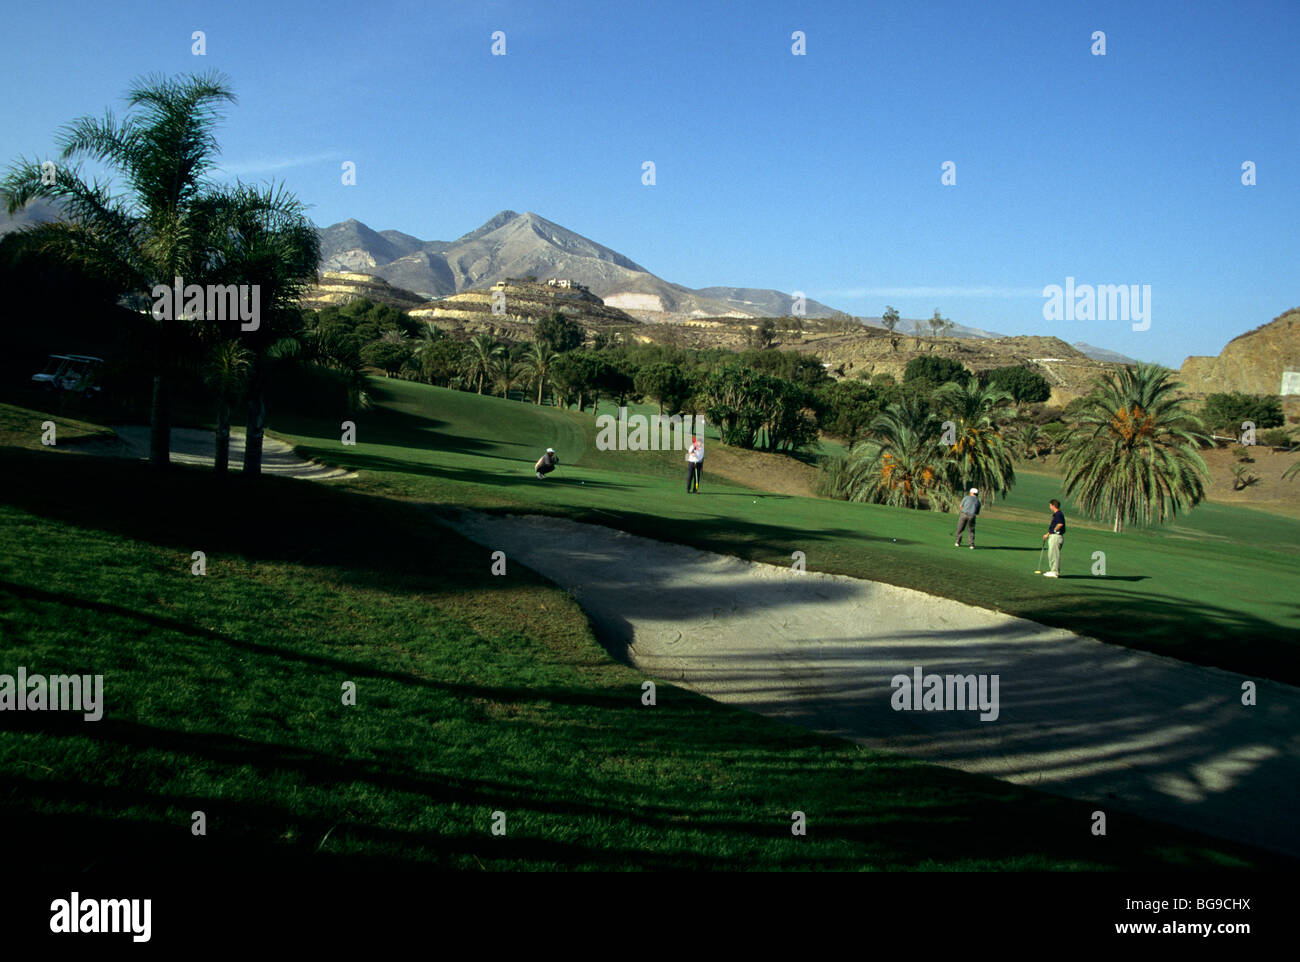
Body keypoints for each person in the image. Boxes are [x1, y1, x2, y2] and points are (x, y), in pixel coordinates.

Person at [1042, 498, 1066, 577]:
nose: (1049, 507)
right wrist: (1048, 534)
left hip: (1056, 537)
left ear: (1053, 505)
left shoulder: (1058, 514)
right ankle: (1053, 570)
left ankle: (1055, 572)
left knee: (1055, 554)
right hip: (1053, 536)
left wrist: (1054, 531)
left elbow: (1060, 524)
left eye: (1050, 505)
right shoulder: (1056, 514)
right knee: (1051, 554)